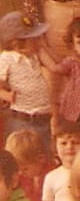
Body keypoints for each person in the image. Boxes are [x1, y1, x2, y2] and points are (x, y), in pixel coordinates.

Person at [0, 11, 53, 152]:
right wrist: (6, 95)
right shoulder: (7, 59)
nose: (39, 41)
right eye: (34, 39)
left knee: (44, 156)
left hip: (44, 118)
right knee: (21, 155)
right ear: (16, 43)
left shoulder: (34, 55)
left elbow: (54, 67)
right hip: (22, 120)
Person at [5, 128, 54, 201]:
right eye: (17, 169)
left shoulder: (52, 175)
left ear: (41, 159)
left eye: (25, 169)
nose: (20, 173)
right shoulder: (19, 179)